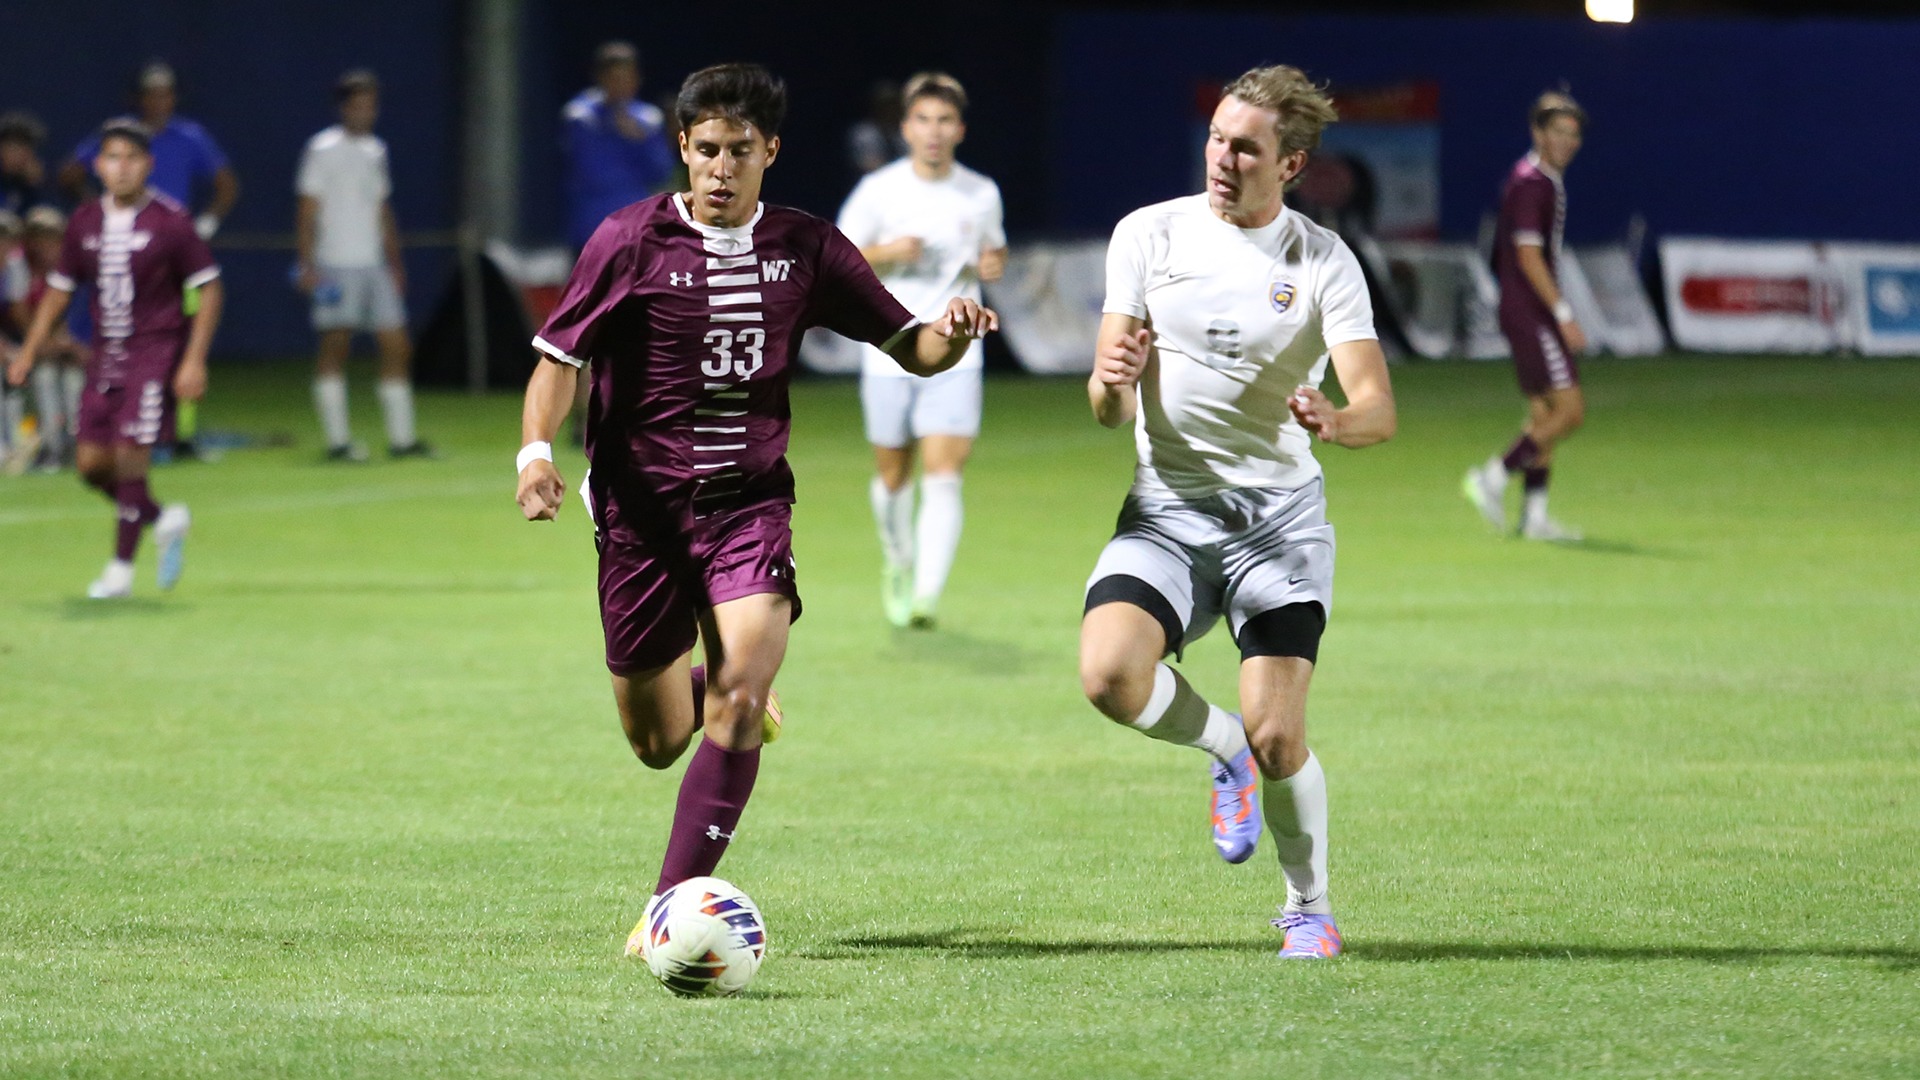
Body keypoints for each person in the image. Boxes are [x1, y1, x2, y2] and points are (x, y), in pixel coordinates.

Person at [512, 63, 995, 951]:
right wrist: (536, 452)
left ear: (770, 151)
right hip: (641, 515)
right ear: (683, 152)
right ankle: (717, 697)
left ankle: (668, 909)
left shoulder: (807, 247)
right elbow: (559, 359)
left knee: (740, 695)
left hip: (749, 509)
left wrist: (950, 333)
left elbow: (908, 345)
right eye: (705, 152)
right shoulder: (629, 240)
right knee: (657, 741)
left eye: (739, 151)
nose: (721, 169)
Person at [1077, 66, 1395, 960]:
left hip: (1277, 524)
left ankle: (1309, 906)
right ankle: (1223, 751)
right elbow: (1107, 405)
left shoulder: (1321, 260)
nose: (1223, 157)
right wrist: (1111, 383)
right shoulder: (1149, 234)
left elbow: (1378, 403)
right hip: (1167, 509)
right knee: (1107, 677)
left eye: (1245, 146)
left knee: (1281, 734)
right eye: (1217, 136)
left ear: (1290, 165)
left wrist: (1337, 419)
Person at [6, 121, 223, 598]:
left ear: (148, 165)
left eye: (131, 158)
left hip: (154, 353)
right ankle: (162, 517)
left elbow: (208, 288)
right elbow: (60, 291)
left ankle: (119, 573)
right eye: (112, 158)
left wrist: (194, 360)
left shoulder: (171, 221)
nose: (121, 168)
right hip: (105, 356)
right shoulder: (84, 221)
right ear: (98, 166)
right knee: (89, 467)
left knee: (129, 459)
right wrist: (28, 348)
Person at [837, 72, 1007, 628]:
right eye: (923, 121)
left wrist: (991, 265)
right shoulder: (879, 190)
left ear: (959, 129)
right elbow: (840, 259)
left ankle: (927, 595)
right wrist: (890, 251)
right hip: (888, 346)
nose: (933, 132)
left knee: (944, 472)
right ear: (906, 128)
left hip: (958, 351)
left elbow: (994, 254)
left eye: (944, 121)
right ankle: (898, 562)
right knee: (893, 476)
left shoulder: (980, 192)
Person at [59, 62, 239, 462]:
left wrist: (206, 222)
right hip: (126, 252)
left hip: (174, 257)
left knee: (184, 341)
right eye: (152, 94)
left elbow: (227, 184)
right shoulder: (121, 137)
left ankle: (180, 434)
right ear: (139, 99)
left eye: (166, 93)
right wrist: (97, 209)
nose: (159, 101)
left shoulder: (190, 136)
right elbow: (69, 173)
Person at [1462, 91, 1588, 542]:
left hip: (1520, 309)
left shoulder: (1532, 179)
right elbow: (1528, 255)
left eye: (1574, 134)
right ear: (1537, 133)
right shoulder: (1534, 183)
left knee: (1542, 415)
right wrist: (1563, 313)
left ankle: (1534, 517)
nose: (1568, 142)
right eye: (1558, 132)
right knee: (1570, 410)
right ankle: (1492, 478)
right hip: (1531, 312)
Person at [295, 70, 428, 461]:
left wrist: (395, 262)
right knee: (335, 347)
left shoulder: (376, 150)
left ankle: (402, 440)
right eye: (357, 105)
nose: (365, 112)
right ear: (343, 108)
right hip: (335, 263)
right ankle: (338, 442)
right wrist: (307, 263)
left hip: (374, 264)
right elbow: (307, 209)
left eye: (370, 105)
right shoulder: (322, 149)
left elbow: (382, 209)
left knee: (397, 346)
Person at [561, 41, 676, 251]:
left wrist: (640, 141)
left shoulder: (648, 119)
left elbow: (661, 172)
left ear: (636, 79)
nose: (621, 86)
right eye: (614, 79)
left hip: (636, 229)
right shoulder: (580, 116)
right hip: (592, 229)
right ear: (600, 79)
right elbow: (594, 173)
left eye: (626, 78)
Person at [13, 207, 89, 471]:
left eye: (51, 237)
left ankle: (75, 443)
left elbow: (78, 322)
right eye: (37, 237)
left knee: (73, 378)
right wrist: (48, 345)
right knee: (44, 374)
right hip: (26, 348)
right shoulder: (18, 270)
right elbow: (22, 321)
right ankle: (51, 447)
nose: (43, 244)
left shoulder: (76, 271)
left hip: (65, 348)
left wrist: (69, 344)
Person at [845, 80, 907, 178]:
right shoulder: (863, 133)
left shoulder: (906, 132)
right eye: (885, 104)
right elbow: (870, 166)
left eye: (893, 104)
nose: (890, 109)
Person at [1, 111, 50, 216]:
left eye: (26, 145)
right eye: (13, 145)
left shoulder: (29, 189)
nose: (21, 153)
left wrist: (36, 186)